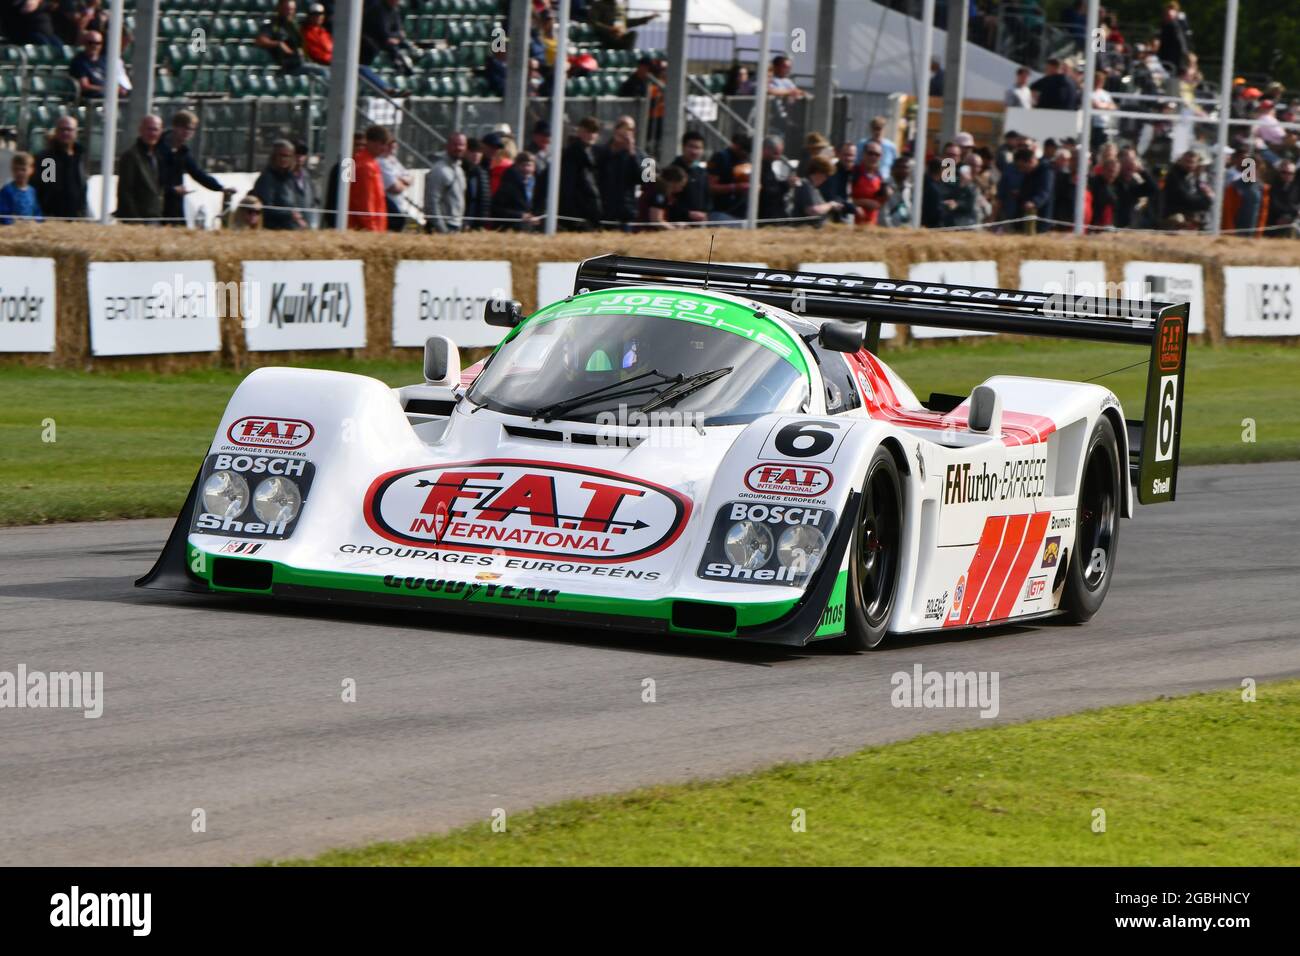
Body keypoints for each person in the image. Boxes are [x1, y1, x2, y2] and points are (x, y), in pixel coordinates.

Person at [159, 111, 234, 226]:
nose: (189, 133)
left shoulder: (183, 151)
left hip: (174, 203)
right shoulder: (160, 147)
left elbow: (197, 173)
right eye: (186, 128)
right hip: (158, 201)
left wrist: (220, 187)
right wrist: (172, 189)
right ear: (176, 127)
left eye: (192, 130)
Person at [303, 2, 392, 94]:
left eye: (321, 14)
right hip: (325, 63)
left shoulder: (324, 32)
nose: (319, 17)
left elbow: (332, 47)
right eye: (315, 14)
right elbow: (314, 52)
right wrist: (333, 60)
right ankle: (384, 89)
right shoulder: (307, 33)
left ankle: (386, 88)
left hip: (334, 61)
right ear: (310, 16)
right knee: (356, 69)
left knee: (362, 68)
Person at [552, 116, 602, 230]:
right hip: (578, 218)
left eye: (594, 131)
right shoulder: (572, 155)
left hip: (588, 216)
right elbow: (567, 188)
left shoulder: (592, 153)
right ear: (580, 131)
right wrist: (574, 218)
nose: (591, 135)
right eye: (588, 131)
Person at [35, 114, 87, 221]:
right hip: (54, 218)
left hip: (76, 218)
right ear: (56, 132)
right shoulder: (48, 159)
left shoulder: (80, 156)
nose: (65, 133)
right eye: (62, 129)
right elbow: (47, 189)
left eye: (69, 129)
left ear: (76, 132)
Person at [256, 0, 327, 79]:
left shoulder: (295, 26)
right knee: (323, 72)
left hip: (301, 62)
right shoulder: (273, 26)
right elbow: (260, 40)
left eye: (292, 9)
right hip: (288, 67)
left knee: (330, 70)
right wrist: (278, 43)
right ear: (279, 8)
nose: (289, 12)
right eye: (286, 9)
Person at [115, 114, 165, 224]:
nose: (152, 133)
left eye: (156, 130)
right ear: (141, 130)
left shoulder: (158, 156)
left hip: (156, 218)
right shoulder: (131, 156)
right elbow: (125, 192)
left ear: (161, 132)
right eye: (149, 129)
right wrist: (135, 221)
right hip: (139, 221)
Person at [252, 139, 312, 229]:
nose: (283, 159)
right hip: (273, 230)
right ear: (273, 157)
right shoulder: (267, 178)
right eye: (280, 155)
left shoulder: (290, 178)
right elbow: (265, 208)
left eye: (287, 156)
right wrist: (290, 214)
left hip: (294, 230)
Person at [594, 121, 642, 229]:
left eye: (629, 129)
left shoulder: (642, 154)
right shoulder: (600, 150)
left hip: (627, 213)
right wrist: (613, 148)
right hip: (603, 211)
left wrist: (632, 153)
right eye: (621, 127)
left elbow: (648, 180)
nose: (624, 132)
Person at [348, 125, 389, 231]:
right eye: (382, 144)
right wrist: (373, 231)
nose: (384, 148)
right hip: (365, 230)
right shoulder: (366, 166)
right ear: (372, 143)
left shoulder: (369, 163)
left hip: (363, 227)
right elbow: (365, 203)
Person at [425, 132, 466, 234]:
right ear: (447, 146)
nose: (459, 148)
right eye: (455, 144)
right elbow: (432, 202)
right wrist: (442, 229)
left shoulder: (459, 169)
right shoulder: (439, 170)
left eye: (462, 145)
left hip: (455, 225)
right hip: (444, 227)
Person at [490, 150, 541, 231]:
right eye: (523, 165)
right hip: (512, 230)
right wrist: (520, 215)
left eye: (529, 165)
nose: (526, 169)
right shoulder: (507, 185)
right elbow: (496, 209)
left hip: (534, 230)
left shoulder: (539, 185)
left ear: (534, 167)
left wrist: (537, 216)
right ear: (516, 166)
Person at [706, 131, 751, 221]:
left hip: (742, 212)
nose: (746, 154)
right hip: (722, 212)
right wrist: (735, 187)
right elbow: (710, 187)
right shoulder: (720, 157)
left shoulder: (746, 159)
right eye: (744, 150)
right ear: (736, 145)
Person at [68, 30, 127, 99]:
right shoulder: (79, 62)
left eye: (98, 43)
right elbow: (84, 86)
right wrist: (107, 89)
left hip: (111, 94)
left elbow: (114, 77)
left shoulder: (105, 60)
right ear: (84, 43)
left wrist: (119, 88)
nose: (94, 46)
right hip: (94, 98)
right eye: (90, 43)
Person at [362, 0, 416, 74]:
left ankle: (406, 63)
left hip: (389, 41)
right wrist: (394, 37)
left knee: (405, 45)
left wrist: (395, 38)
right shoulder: (378, 9)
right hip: (372, 42)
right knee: (390, 46)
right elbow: (383, 33)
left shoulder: (395, 10)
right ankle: (399, 63)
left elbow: (400, 32)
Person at [1161, 150, 1212, 229]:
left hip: (1190, 215)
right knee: (1178, 219)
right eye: (1187, 161)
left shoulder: (1193, 177)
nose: (1189, 165)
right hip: (1174, 216)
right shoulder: (1174, 176)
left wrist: (1206, 199)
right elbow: (1185, 198)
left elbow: (1201, 194)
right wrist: (1206, 199)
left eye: (1192, 162)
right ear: (1181, 161)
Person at [668, 130, 710, 224]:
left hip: (700, 224)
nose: (694, 151)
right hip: (677, 224)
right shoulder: (672, 170)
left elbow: (708, 197)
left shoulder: (702, 172)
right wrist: (688, 213)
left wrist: (706, 213)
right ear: (683, 147)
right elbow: (668, 200)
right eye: (691, 146)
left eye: (698, 148)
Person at [1011, 146, 1054, 231]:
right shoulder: (1028, 173)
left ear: (1031, 161)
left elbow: (1045, 191)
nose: (1021, 170)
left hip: (1040, 218)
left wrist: (1034, 202)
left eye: (1022, 166)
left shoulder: (1046, 171)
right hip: (1024, 217)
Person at [792, 157, 842, 227]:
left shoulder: (814, 189)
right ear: (819, 172)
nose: (826, 179)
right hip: (805, 231)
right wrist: (831, 205)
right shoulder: (805, 185)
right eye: (826, 175)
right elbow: (812, 211)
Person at [757, 135, 796, 224]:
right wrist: (786, 185)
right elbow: (768, 192)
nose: (778, 157)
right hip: (765, 218)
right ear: (765, 150)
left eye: (779, 153)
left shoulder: (768, 165)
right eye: (775, 153)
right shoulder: (759, 166)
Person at [1114, 147, 1157, 229]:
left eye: (1132, 160)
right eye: (1126, 160)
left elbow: (1153, 189)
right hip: (1116, 226)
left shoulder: (1134, 183)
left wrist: (1142, 171)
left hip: (1132, 226)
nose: (1130, 163)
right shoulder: (1113, 180)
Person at [636, 163, 687, 230]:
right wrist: (675, 230)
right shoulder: (659, 194)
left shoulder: (653, 188)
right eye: (681, 186)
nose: (681, 189)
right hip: (647, 233)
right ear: (672, 182)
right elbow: (656, 220)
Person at [588, 0, 655, 51]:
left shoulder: (616, 7)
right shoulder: (597, 5)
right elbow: (593, 22)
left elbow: (625, 23)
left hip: (617, 37)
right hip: (604, 37)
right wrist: (611, 29)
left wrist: (646, 19)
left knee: (633, 34)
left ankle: (626, 56)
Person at [379, 138, 414, 231]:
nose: (392, 149)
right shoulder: (380, 161)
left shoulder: (393, 160)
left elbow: (410, 178)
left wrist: (399, 180)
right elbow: (394, 188)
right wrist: (404, 182)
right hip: (389, 206)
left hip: (398, 205)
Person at [851, 141, 888, 225]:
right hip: (852, 224)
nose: (873, 157)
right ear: (863, 154)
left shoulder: (880, 177)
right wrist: (864, 202)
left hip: (871, 226)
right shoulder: (854, 173)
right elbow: (844, 199)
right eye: (870, 153)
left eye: (877, 155)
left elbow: (881, 203)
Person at [0, 152, 41, 225]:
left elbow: (37, 212)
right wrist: (12, 223)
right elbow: (3, 214)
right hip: (13, 230)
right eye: (16, 169)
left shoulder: (32, 191)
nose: (19, 173)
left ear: (31, 170)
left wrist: (38, 222)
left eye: (23, 169)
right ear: (12, 170)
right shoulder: (7, 190)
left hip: (30, 229)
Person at [461, 136, 492, 229]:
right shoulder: (459, 171)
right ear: (465, 152)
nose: (476, 155)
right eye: (472, 151)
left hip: (477, 223)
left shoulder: (483, 173)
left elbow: (485, 200)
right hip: (461, 220)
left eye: (479, 152)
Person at [1266, 160, 1300, 237]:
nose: (1287, 175)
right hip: (1274, 223)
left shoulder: (1296, 187)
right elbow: (1275, 205)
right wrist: (1295, 211)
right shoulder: (1272, 187)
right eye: (1284, 172)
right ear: (1279, 172)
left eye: (1291, 173)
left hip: (1293, 219)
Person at [1158, 1, 1193, 74]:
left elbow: (1183, 36)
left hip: (1175, 54)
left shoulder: (1179, 20)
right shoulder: (1170, 24)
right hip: (1173, 54)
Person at [880, 156, 912, 227]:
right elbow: (883, 213)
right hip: (887, 230)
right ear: (893, 168)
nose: (903, 170)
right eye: (900, 167)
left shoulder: (909, 188)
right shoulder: (885, 185)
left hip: (904, 229)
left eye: (906, 167)